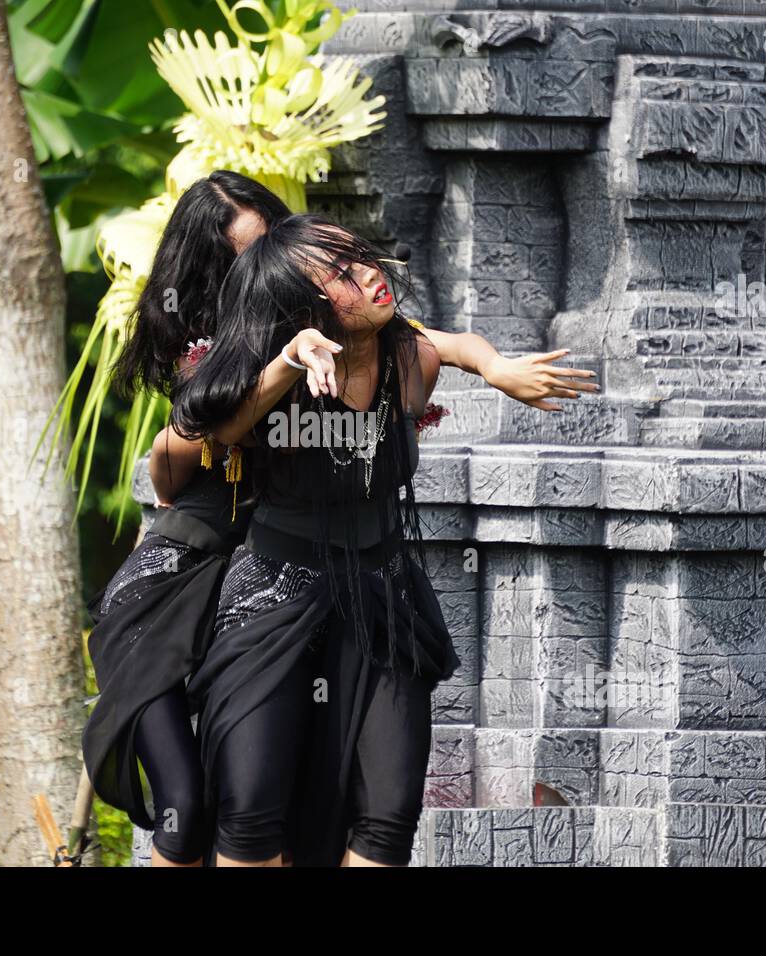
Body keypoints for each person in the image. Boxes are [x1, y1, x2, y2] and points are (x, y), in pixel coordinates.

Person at [82, 172, 598, 867]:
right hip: (248, 586)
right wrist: (289, 361)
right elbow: (199, 447)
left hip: (379, 593)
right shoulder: (243, 362)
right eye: (340, 274)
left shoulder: (402, 353)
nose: (368, 276)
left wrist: (499, 366)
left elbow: (451, 342)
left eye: (358, 258)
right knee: (228, 809)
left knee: (386, 814)